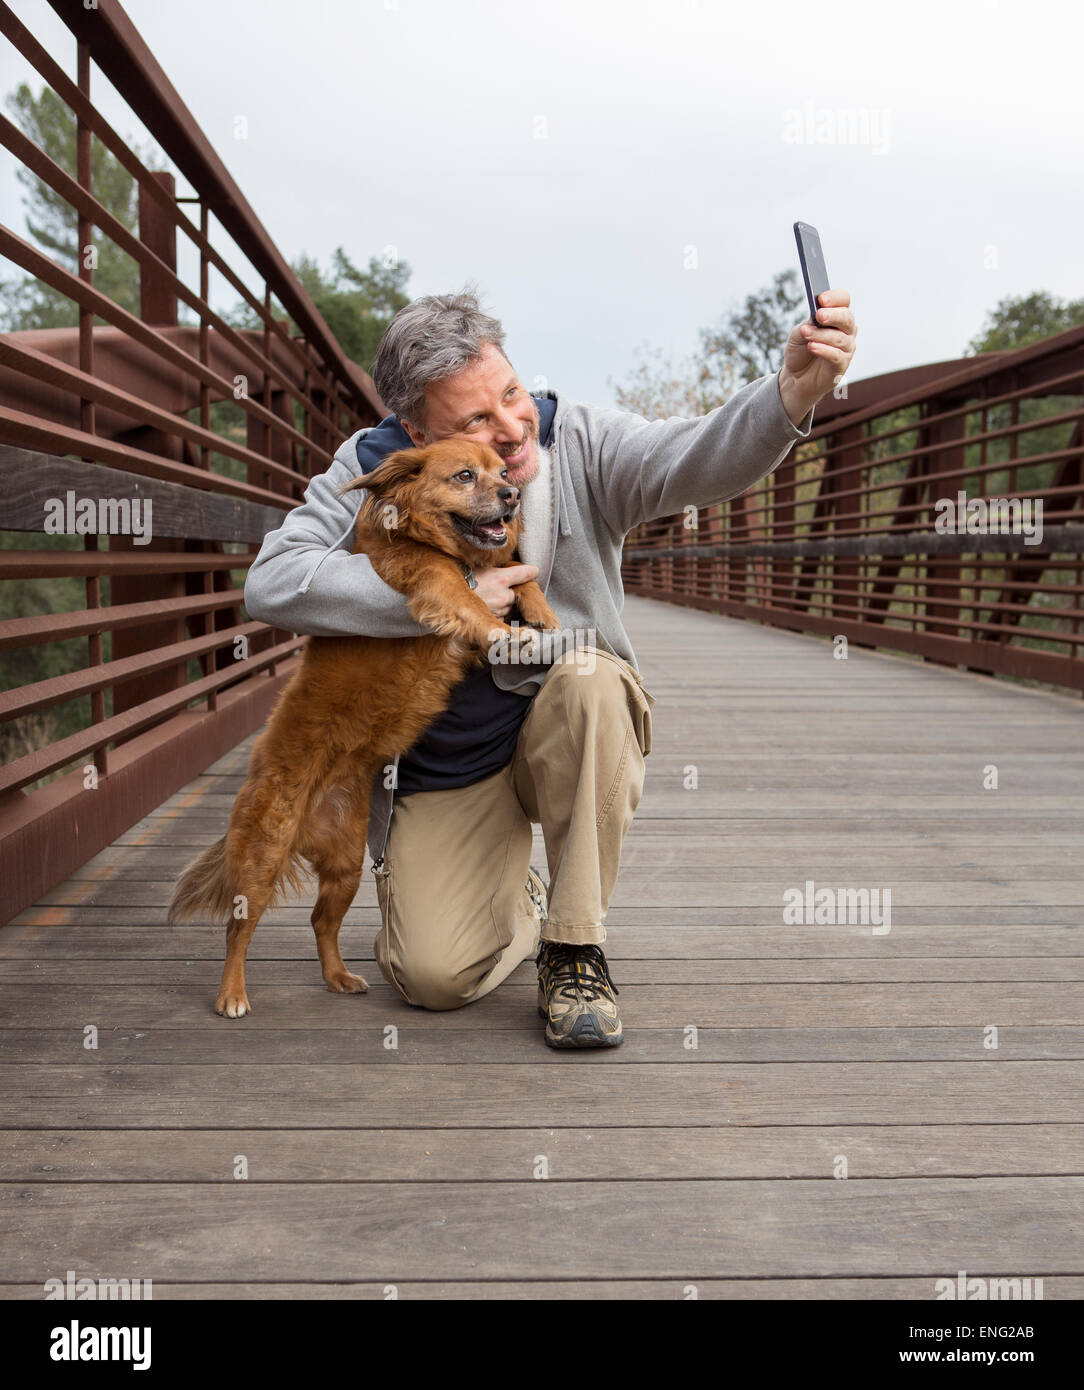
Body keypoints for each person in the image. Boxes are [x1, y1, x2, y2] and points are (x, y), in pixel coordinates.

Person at [244, 285, 857, 1047]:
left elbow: (690, 458)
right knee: (432, 978)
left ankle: (573, 947)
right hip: (447, 764)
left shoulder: (579, 442)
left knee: (591, 677)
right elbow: (272, 580)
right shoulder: (378, 471)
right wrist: (440, 591)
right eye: (475, 421)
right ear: (415, 430)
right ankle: (520, 893)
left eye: (511, 392)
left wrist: (790, 393)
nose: (510, 428)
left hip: (564, 725)